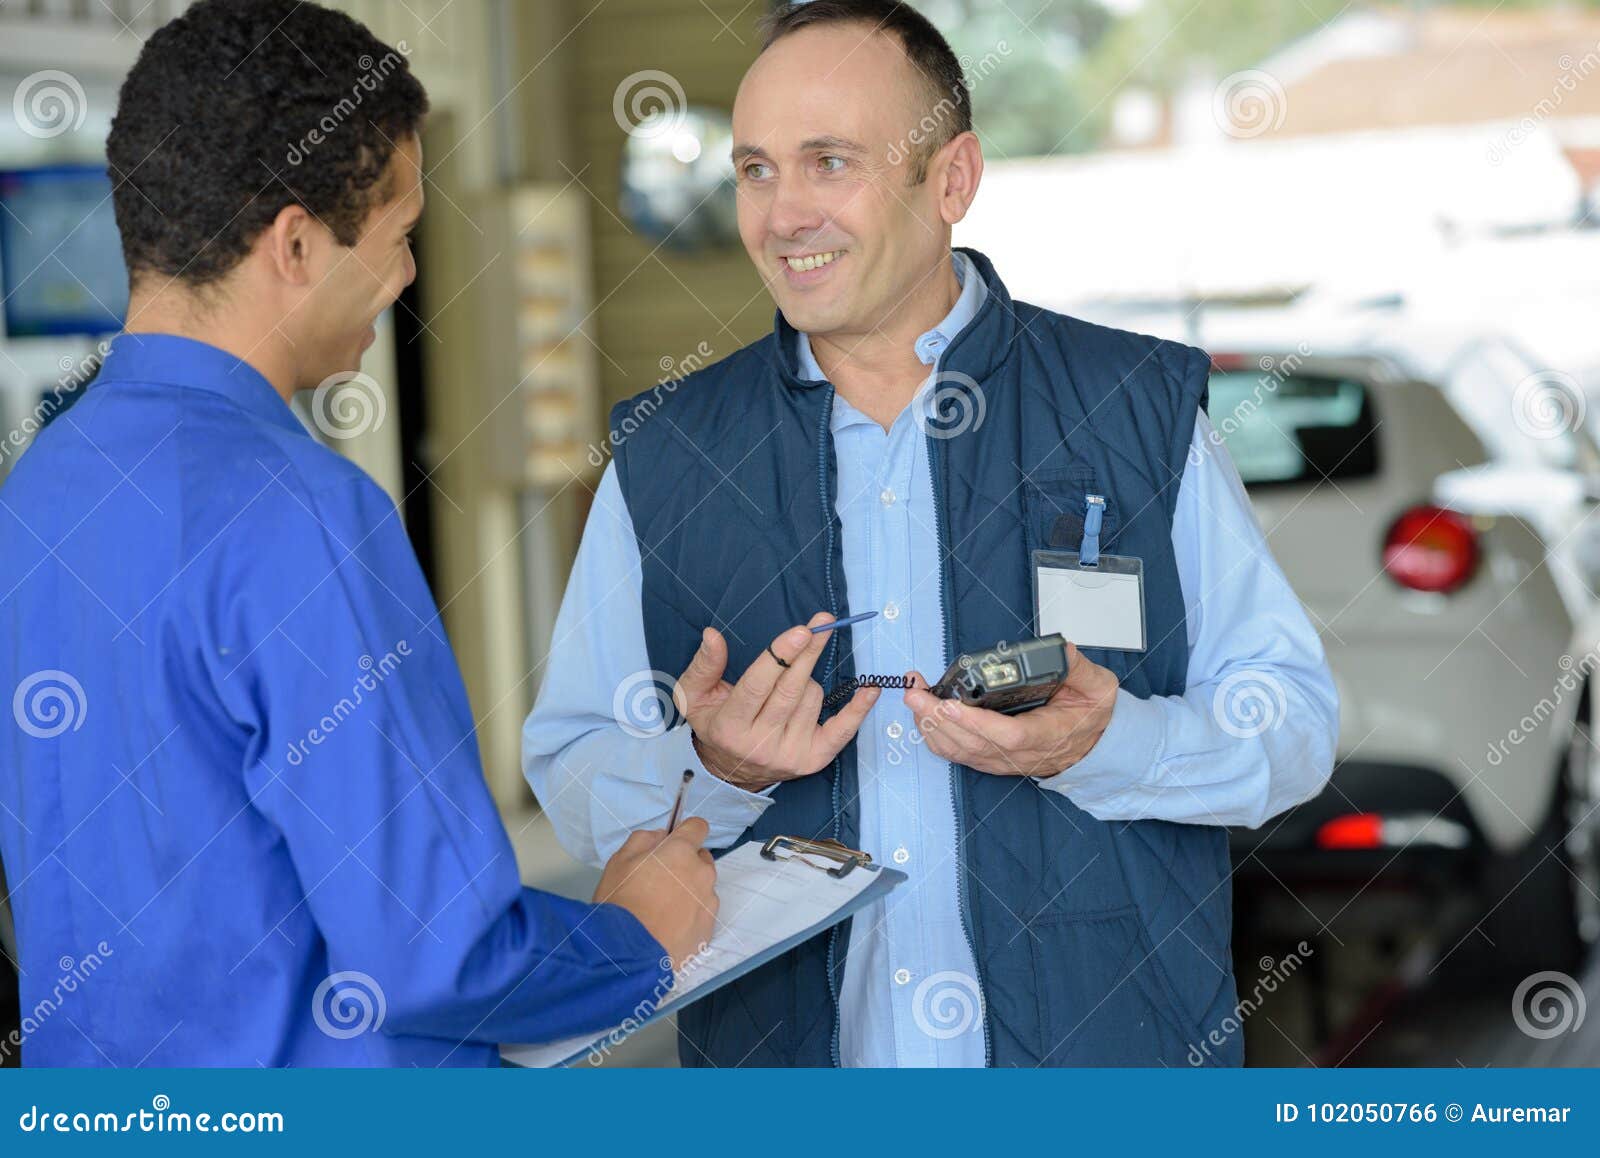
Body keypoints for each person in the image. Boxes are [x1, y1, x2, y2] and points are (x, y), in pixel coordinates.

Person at [524, 0, 1338, 1067]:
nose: (782, 213)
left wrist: (1113, 744)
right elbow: (575, 769)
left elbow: (1291, 726)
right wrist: (713, 766)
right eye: (757, 169)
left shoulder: (1129, 409)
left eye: (829, 163)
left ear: (950, 179)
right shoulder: (669, 454)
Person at [0, 0, 716, 1068]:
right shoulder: (300, 512)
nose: (410, 275)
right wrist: (637, 936)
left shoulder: (38, 490)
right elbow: (435, 954)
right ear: (295, 243)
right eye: (397, 237)